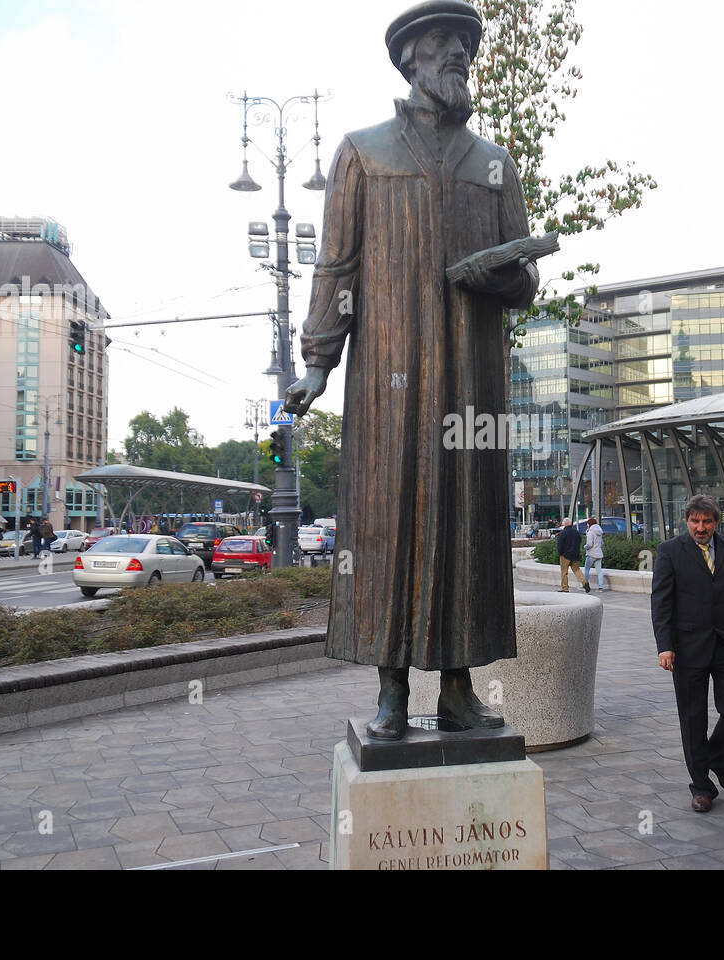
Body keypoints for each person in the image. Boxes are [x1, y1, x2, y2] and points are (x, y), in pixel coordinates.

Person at [282, 1, 543, 741]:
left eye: (464, 45)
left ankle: (459, 691)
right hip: (387, 379)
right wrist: (318, 363)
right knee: (388, 520)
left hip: (472, 375)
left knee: (470, 525)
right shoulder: (364, 153)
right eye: (442, 45)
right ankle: (391, 690)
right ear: (410, 61)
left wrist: (497, 279)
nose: (458, 55)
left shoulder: (494, 162)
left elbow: (525, 278)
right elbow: (337, 265)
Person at [651, 495, 724, 812]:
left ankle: (718, 761)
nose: (701, 527)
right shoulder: (670, 552)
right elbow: (661, 603)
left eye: (707, 521)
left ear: (716, 522)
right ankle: (701, 787)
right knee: (693, 719)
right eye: (695, 521)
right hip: (687, 649)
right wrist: (665, 646)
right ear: (687, 521)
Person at [556, 517, 589, 594]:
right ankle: (585, 583)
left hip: (565, 555)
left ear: (565, 524)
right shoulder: (576, 532)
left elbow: (560, 545)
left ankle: (565, 588)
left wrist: (560, 553)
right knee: (576, 570)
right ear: (570, 523)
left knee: (564, 572)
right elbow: (579, 542)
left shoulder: (563, 533)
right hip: (575, 554)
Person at [583, 517, 606, 591]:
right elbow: (602, 543)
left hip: (591, 554)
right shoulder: (600, 531)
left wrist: (585, 547)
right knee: (599, 571)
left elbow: (589, 544)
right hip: (599, 554)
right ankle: (600, 588)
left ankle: (585, 585)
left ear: (589, 524)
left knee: (586, 569)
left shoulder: (590, 532)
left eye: (587, 524)